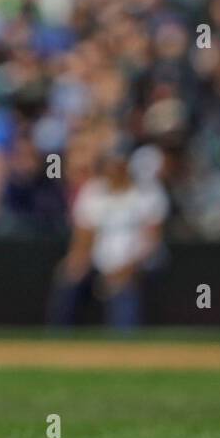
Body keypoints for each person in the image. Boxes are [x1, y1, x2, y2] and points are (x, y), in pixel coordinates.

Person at [48, 140, 168, 331]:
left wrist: (126, 269)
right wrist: (77, 263)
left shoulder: (148, 192)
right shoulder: (93, 191)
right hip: (100, 263)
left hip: (136, 264)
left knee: (123, 287)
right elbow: (83, 237)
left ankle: (124, 346)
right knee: (69, 277)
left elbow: (151, 243)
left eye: (119, 163)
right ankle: (58, 341)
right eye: (110, 163)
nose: (114, 168)